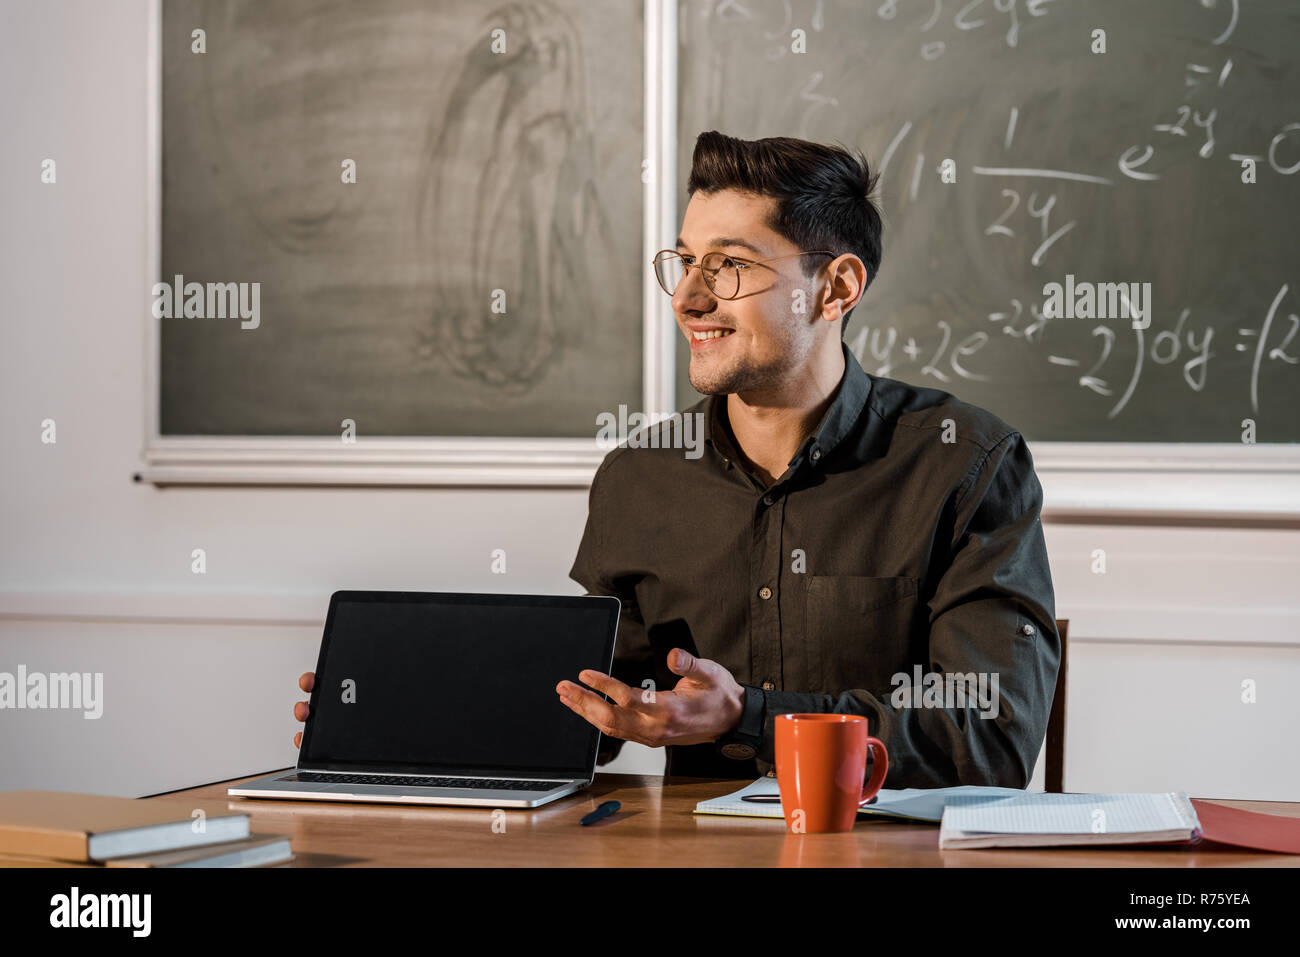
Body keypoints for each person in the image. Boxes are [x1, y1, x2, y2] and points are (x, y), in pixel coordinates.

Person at [294, 131, 1060, 788]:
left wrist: (753, 717)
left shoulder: (965, 464)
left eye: (728, 264)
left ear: (835, 288)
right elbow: (594, 707)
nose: (688, 297)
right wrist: (396, 716)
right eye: (685, 260)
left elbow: (988, 740)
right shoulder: (642, 477)